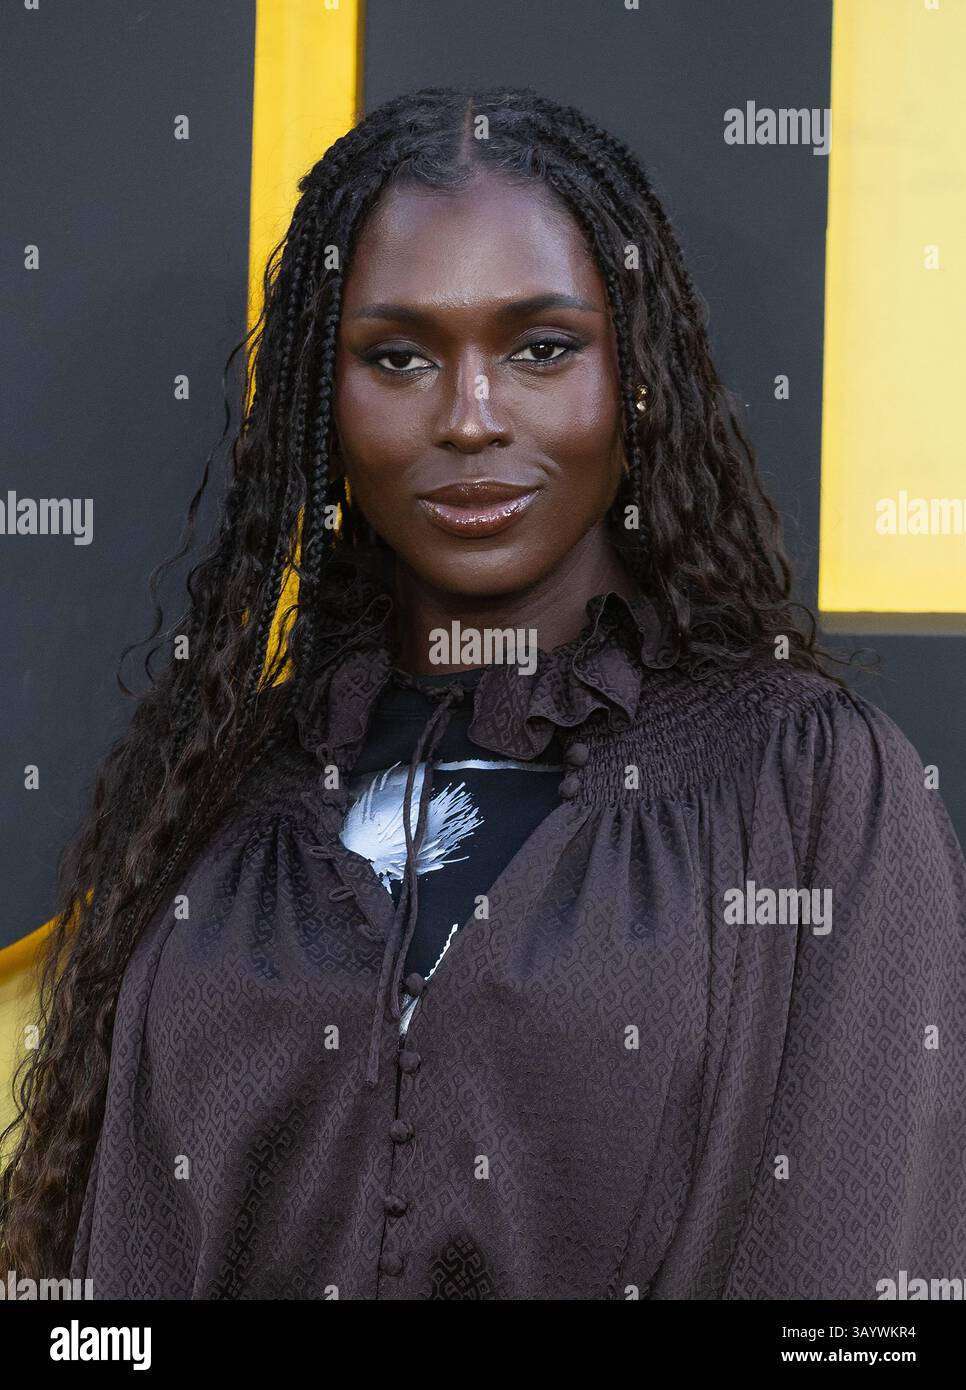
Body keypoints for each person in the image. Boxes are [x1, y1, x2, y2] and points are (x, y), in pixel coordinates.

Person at [2, 86, 964, 1301]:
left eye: (542, 347)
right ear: (321, 401)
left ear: (639, 372)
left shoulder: (815, 791)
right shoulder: (223, 803)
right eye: (398, 356)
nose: (470, 417)